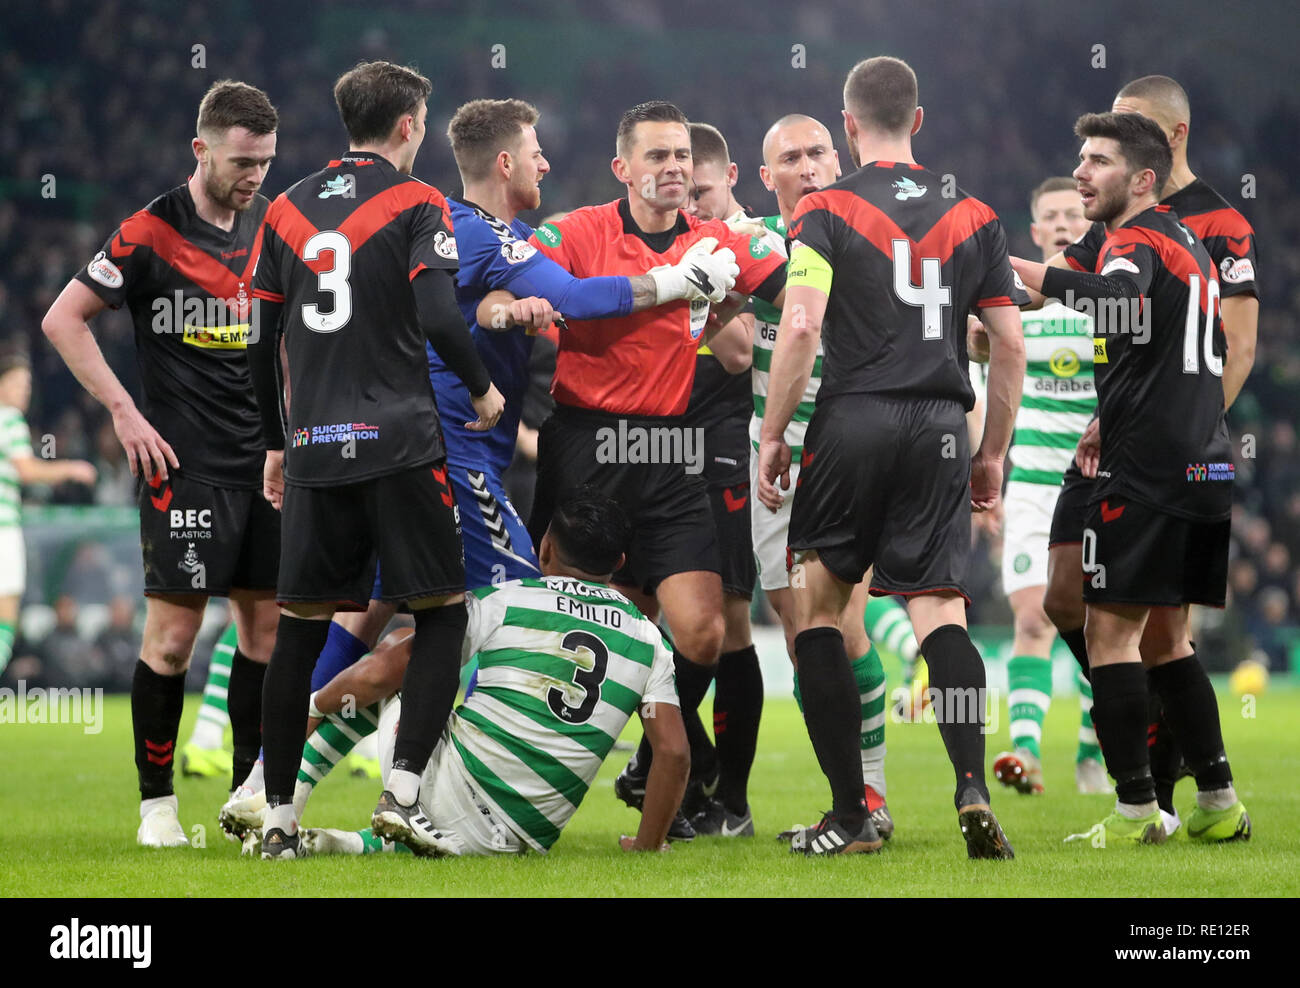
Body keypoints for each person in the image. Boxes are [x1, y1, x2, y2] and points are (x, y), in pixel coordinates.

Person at [757, 56, 1026, 857]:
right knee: (941, 611)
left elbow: (801, 327)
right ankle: (971, 785)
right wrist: (993, 453)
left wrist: (773, 434)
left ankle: (849, 815)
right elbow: (1007, 343)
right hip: (944, 423)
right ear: (918, 119)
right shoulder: (974, 213)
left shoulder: (824, 209)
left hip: (854, 419)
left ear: (848, 126)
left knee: (819, 607)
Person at [247, 60, 505, 860]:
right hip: (400, 446)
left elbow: (259, 343)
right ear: (408, 125)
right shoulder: (420, 201)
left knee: (297, 631)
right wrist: (483, 388)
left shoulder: (283, 210)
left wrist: (274, 441)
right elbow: (438, 311)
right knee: (441, 612)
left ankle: (279, 818)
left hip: (316, 449)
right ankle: (400, 794)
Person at [521, 101, 785, 839]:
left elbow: (801, 289)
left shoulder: (721, 241)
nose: (674, 168)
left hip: (669, 448)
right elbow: (526, 283)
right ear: (623, 168)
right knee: (567, 627)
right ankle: (528, 767)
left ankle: (656, 754)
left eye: (681, 157)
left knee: (703, 634)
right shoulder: (577, 231)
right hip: (586, 442)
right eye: (657, 156)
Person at [41, 81, 281, 846]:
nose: (255, 177)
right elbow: (63, 319)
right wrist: (123, 409)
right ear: (200, 149)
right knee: (173, 640)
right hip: (184, 465)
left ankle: (254, 805)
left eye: (266, 162)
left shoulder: (273, 230)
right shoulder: (150, 231)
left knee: (266, 636)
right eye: (243, 162)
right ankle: (156, 809)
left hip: (263, 464)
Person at [1012, 111, 1250, 845]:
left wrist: (1021, 267)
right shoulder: (1186, 244)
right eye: (1080, 159)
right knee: (1167, 642)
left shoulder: (1136, 240)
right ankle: (1218, 802)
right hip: (1203, 461)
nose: (1081, 172)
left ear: (1143, 180)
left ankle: (1136, 809)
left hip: (1147, 467)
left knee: (1110, 637)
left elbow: (1118, 303)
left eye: (1099, 162)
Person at [299, 488, 689, 857]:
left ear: (546, 547)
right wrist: (646, 845)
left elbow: (386, 670)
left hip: (446, 790)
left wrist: (316, 705)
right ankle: (351, 843)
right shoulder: (648, 638)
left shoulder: (508, 600)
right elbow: (673, 753)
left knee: (400, 652)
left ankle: (281, 795)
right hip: (523, 838)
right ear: (620, 563)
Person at [980, 178, 1109, 796]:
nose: (1062, 224)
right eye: (1049, 218)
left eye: (1072, 214)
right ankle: (1026, 755)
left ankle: (1093, 744)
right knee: (1032, 617)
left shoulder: (1106, 298)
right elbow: (985, 366)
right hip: (1031, 484)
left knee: (1096, 623)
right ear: (1034, 233)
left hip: (1098, 482)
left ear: (1090, 220)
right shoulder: (1017, 302)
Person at [0, 352, 97, 678]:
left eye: (26, 385)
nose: (23, 392)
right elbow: (26, 470)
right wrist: (72, 467)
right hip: (4, 531)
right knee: (6, 620)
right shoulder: (9, 420)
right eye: (16, 383)